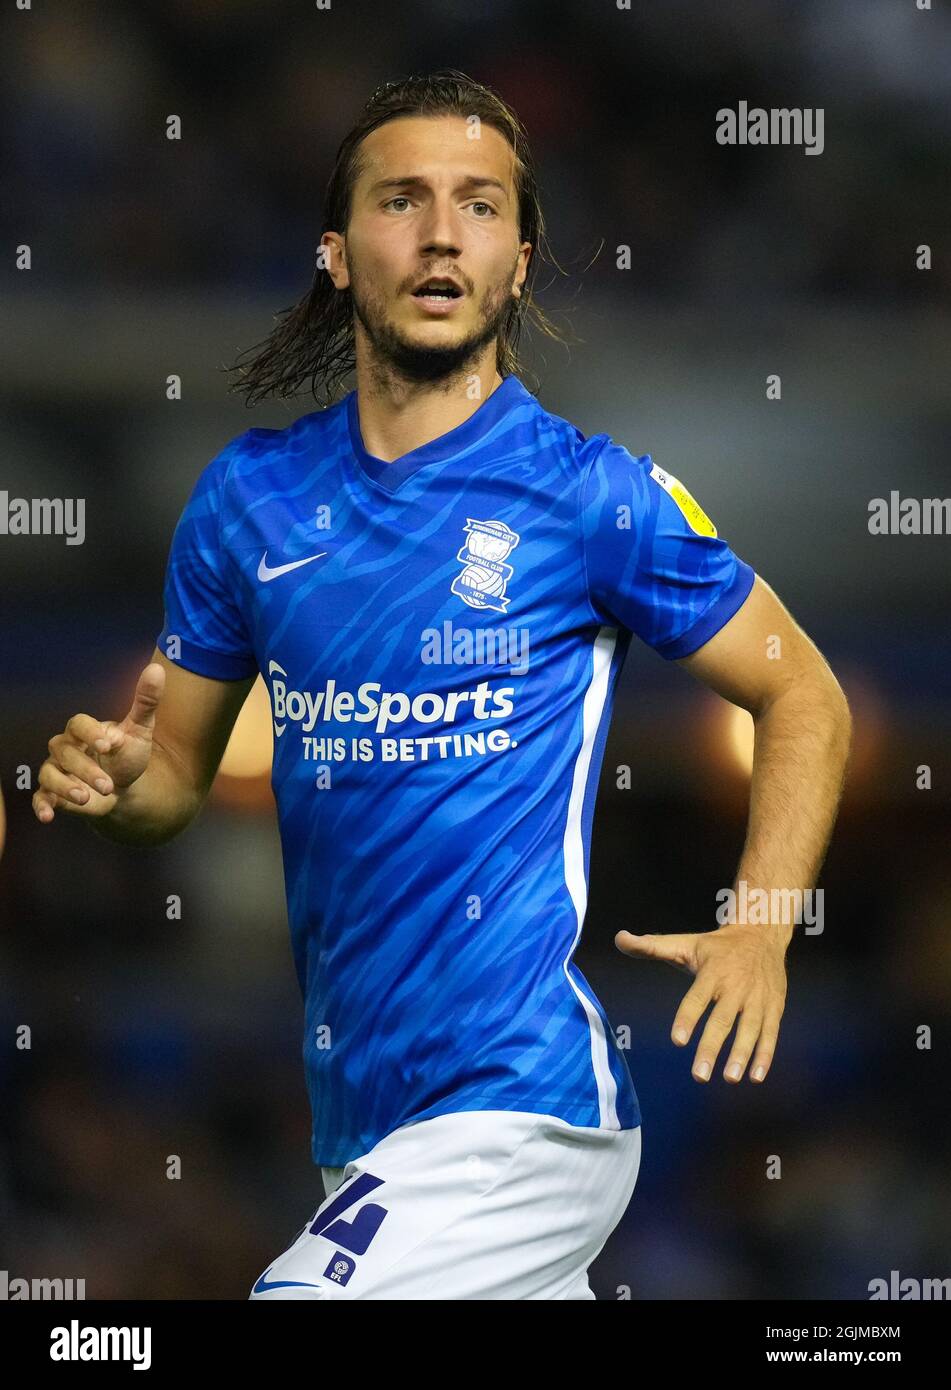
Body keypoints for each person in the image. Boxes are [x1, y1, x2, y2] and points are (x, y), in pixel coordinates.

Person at [33, 71, 851, 1300]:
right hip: (363, 1135)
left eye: (478, 205)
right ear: (335, 246)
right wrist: (119, 781)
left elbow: (807, 696)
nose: (438, 232)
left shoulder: (591, 496)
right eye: (401, 199)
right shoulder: (246, 503)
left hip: (519, 1112)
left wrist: (764, 920)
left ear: (519, 258)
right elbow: (171, 789)